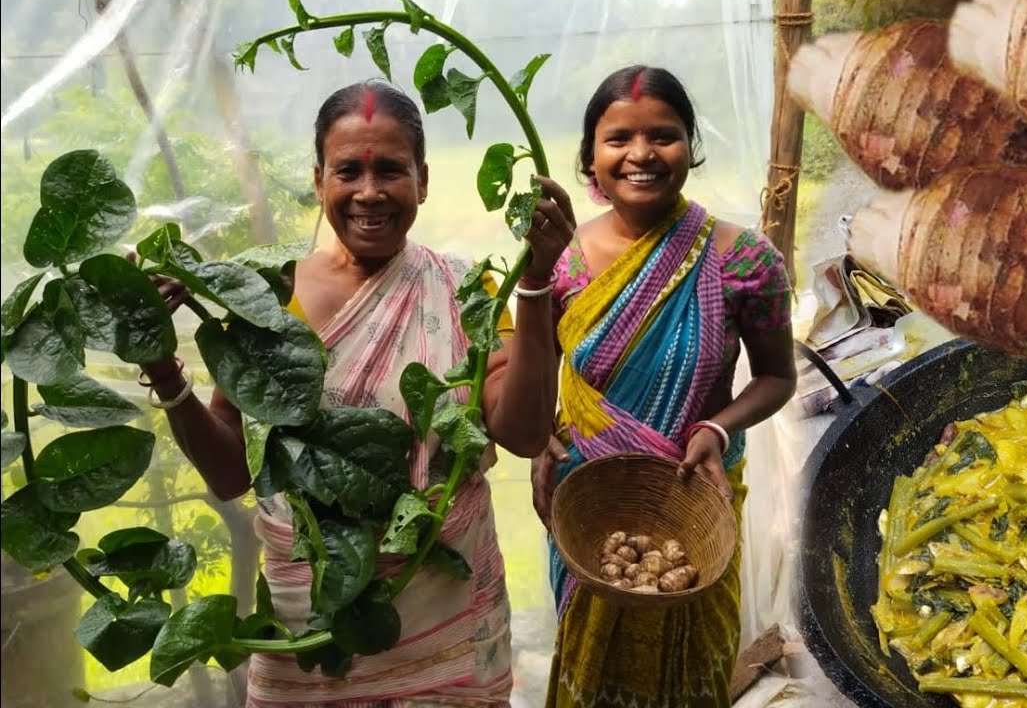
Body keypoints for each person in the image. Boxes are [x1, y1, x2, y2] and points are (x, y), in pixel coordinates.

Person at [139, 80, 576, 707]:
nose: (370, 192)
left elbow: (524, 433)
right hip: (313, 632)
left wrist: (534, 283)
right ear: (319, 182)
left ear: (423, 180)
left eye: (391, 170)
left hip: (445, 621)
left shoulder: (467, 290)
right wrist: (163, 370)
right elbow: (232, 473)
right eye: (348, 171)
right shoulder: (268, 295)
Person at [531, 65, 797, 707]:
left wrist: (717, 428)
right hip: (589, 502)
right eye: (619, 138)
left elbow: (777, 377)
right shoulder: (560, 260)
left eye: (663, 136)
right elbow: (536, 373)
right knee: (591, 664)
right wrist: (541, 439)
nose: (642, 154)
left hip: (694, 498)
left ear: (690, 146)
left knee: (692, 664)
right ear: (590, 156)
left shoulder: (744, 259)